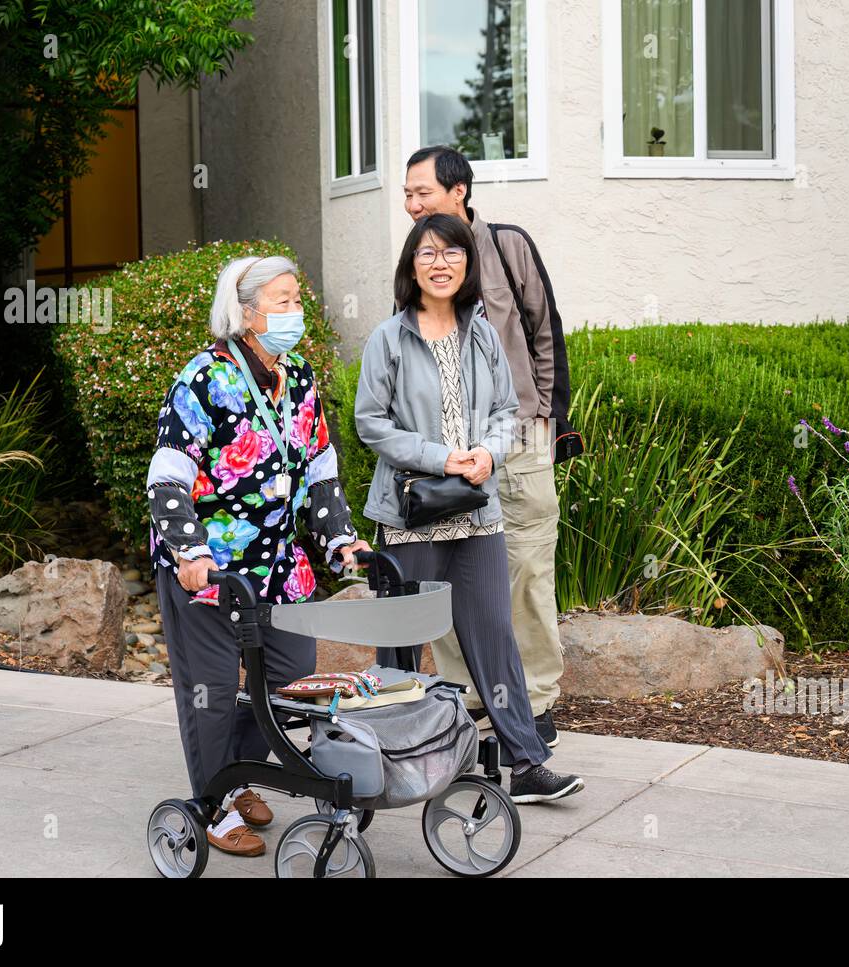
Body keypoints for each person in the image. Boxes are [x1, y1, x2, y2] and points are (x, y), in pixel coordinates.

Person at [353, 214, 584, 804]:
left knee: (494, 635)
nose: (441, 263)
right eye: (427, 253)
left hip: (477, 512)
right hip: (413, 515)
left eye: (452, 252)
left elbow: (509, 411)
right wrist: (441, 457)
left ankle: (528, 762)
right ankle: (388, 760)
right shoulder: (389, 337)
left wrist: (488, 452)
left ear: (466, 263)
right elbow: (369, 422)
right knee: (401, 642)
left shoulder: (482, 332)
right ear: (411, 266)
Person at [147, 255, 371, 857]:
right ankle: (213, 807)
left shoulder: (297, 376)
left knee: (291, 679)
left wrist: (341, 542)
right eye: (282, 299)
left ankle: (239, 772)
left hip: (278, 563)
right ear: (246, 312)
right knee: (213, 691)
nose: (295, 311)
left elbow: (321, 473)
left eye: (298, 299)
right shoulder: (203, 379)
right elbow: (167, 479)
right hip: (211, 569)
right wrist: (189, 550)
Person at [401, 145, 580, 748]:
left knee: (527, 571)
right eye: (407, 195)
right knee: (451, 575)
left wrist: (546, 422)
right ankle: (469, 702)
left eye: (421, 192)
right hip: (448, 455)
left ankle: (535, 703)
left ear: (459, 192)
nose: (412, 205)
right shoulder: (417, 262)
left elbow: (545, 332)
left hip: (519, 443)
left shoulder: (508, 246)